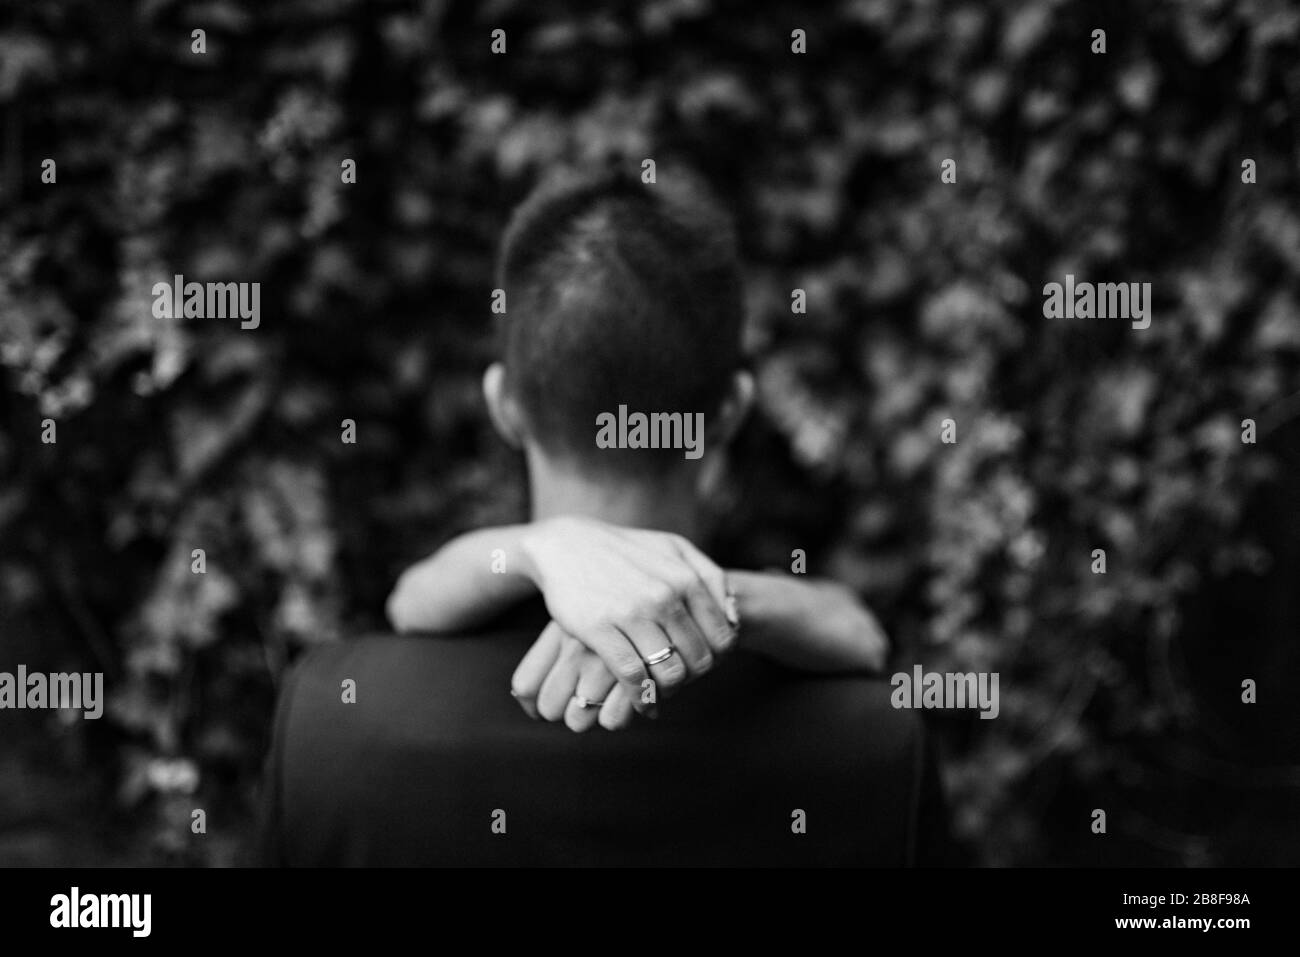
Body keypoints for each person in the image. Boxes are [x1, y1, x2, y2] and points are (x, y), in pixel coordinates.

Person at [259, 167, 951, 865]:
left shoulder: (327, 724)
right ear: (729, 413)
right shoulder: (875, 749)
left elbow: (408, 604)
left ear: (504, 404)